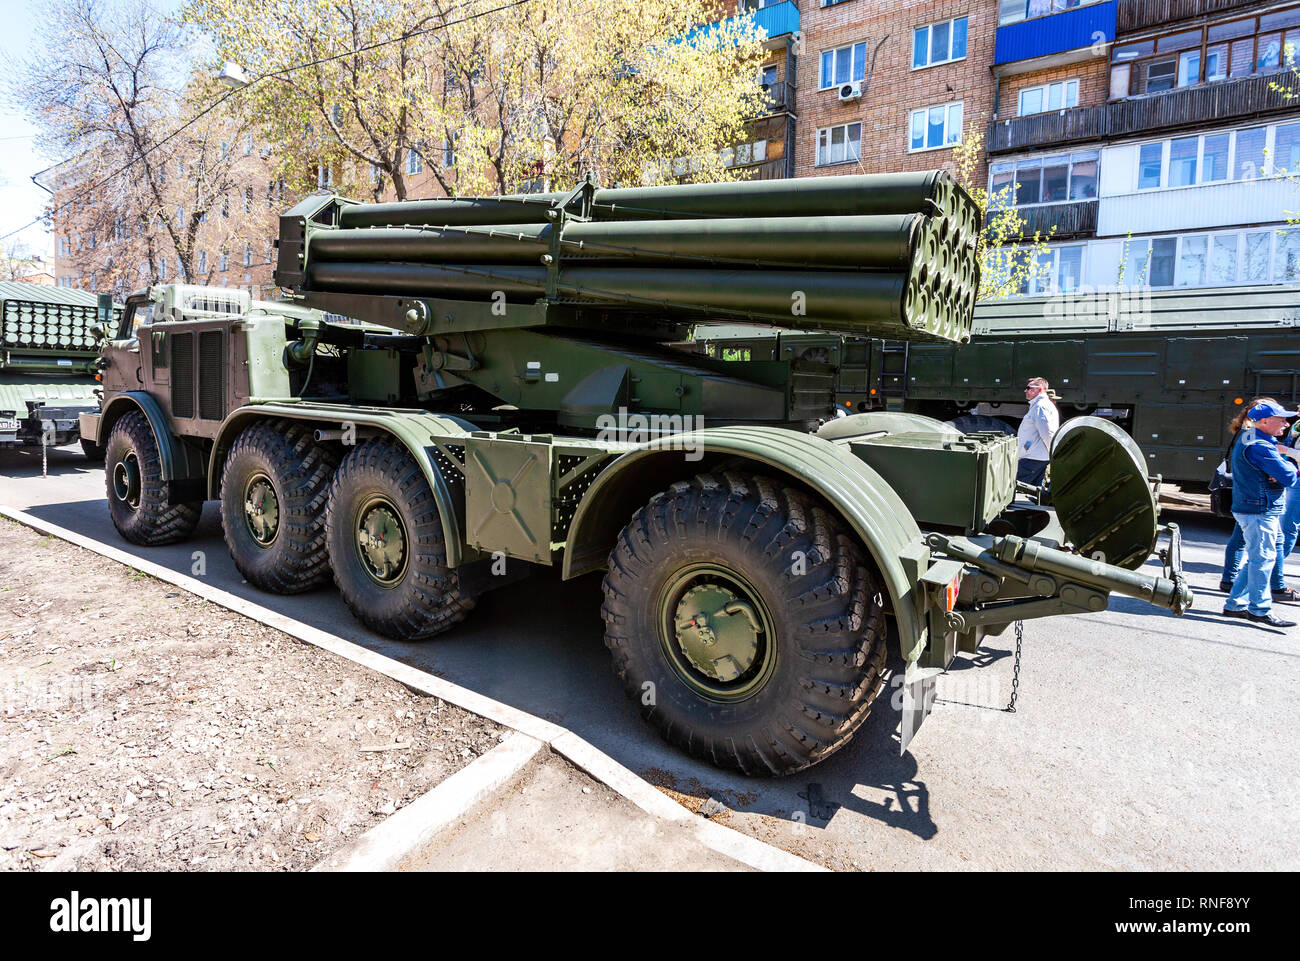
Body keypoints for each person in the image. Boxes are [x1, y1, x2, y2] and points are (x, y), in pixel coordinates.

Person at [1222, 398, 1300, 627]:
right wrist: (1288, 469)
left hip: (1256, 506)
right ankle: (1259, 610)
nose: (1287, 424)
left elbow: (1284, 472)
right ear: (1265, 421)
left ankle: (1235, 604)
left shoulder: (1252, 436)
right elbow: (1288, 476)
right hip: (1259, 508)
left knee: (1260, 558)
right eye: (1281, 420)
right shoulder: (1261, 446)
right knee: (1262, 559)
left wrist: (1284, 469)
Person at [1016, 376, 1059, 486]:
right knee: (1033, 492)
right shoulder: (1040, 405)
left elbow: (1047, 433)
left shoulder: (1040, 406)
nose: (1026, 390)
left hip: (1032, 459)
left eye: (1029, 388)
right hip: (1035, 457)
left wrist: (1052, 454)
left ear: (1039, 389)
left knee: (1016, 489)